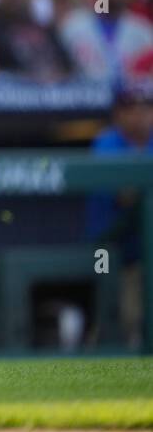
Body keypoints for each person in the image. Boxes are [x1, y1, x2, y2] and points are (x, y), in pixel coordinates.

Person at [85, 80, 152, 350]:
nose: (139, 114)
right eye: (131, 108)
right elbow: (124, 195)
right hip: (113, 252)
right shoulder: (106, 143)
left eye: (146, 107)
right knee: (125, 316)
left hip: (144, 252)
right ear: (118, 113)